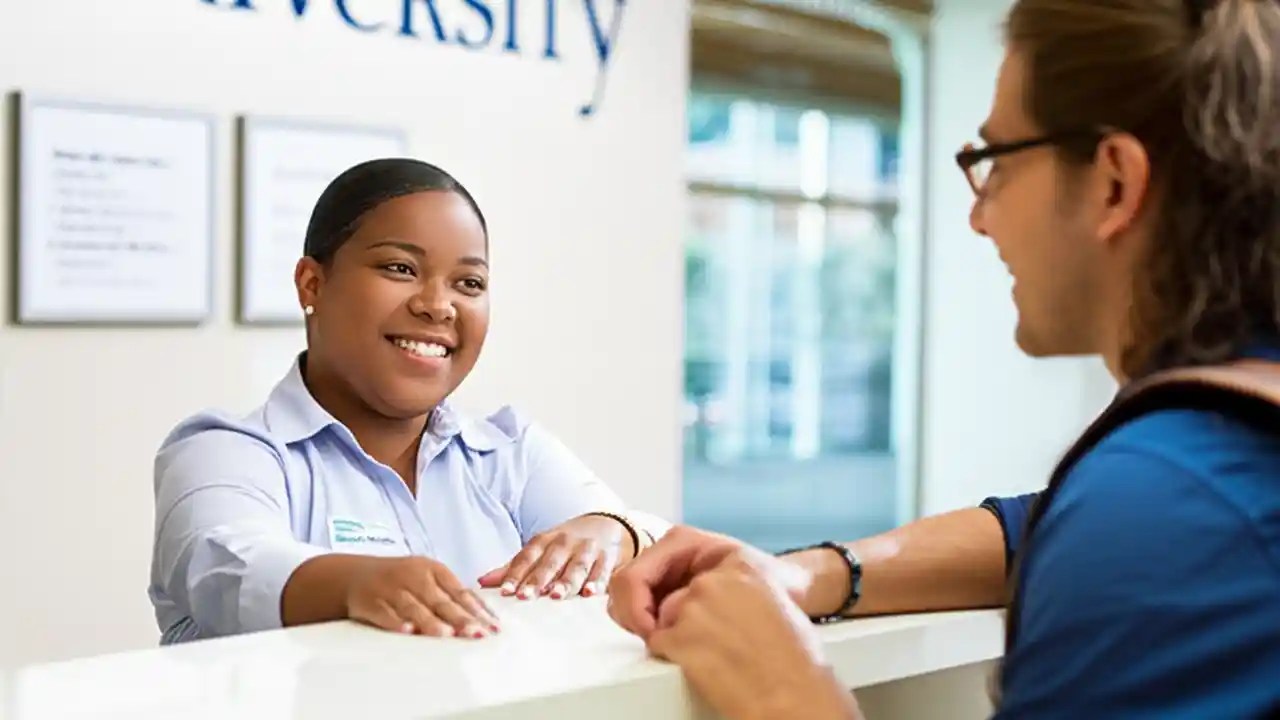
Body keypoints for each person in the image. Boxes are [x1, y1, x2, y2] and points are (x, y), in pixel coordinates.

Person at [608, 0, 1280, 717]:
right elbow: (1035, 528)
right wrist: (809, 574)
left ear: (1113, 182)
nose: (979, 215)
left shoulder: (1159, 502)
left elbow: (1130, 526)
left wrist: (785, 690)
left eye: (996, 162)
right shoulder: (1212, 463)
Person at [149, 158, 663, 644]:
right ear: (313, 284)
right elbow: (229, 567)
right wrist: (359, 585)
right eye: (399, 268)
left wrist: (614, 531)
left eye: (469, 282)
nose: (438, 306)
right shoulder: (225, 451)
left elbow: (658, 543)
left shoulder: (511, 454)